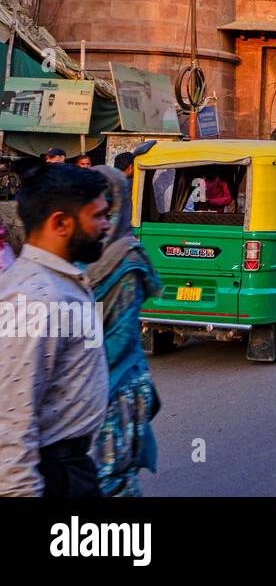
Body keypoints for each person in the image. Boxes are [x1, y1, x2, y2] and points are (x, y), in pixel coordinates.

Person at [0, 164, 110, 496]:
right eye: (98, 216)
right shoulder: (35, 297)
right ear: (60, 223)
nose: (106, 225)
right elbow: (10, 419)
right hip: (52, 475)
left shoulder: (62, 281)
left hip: (71, 466)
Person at [86, 165, 162, 496]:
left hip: (114, 386)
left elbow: (116, 335)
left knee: (111, 476)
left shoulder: (124, 258)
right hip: (115, 384)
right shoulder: (101, 253)